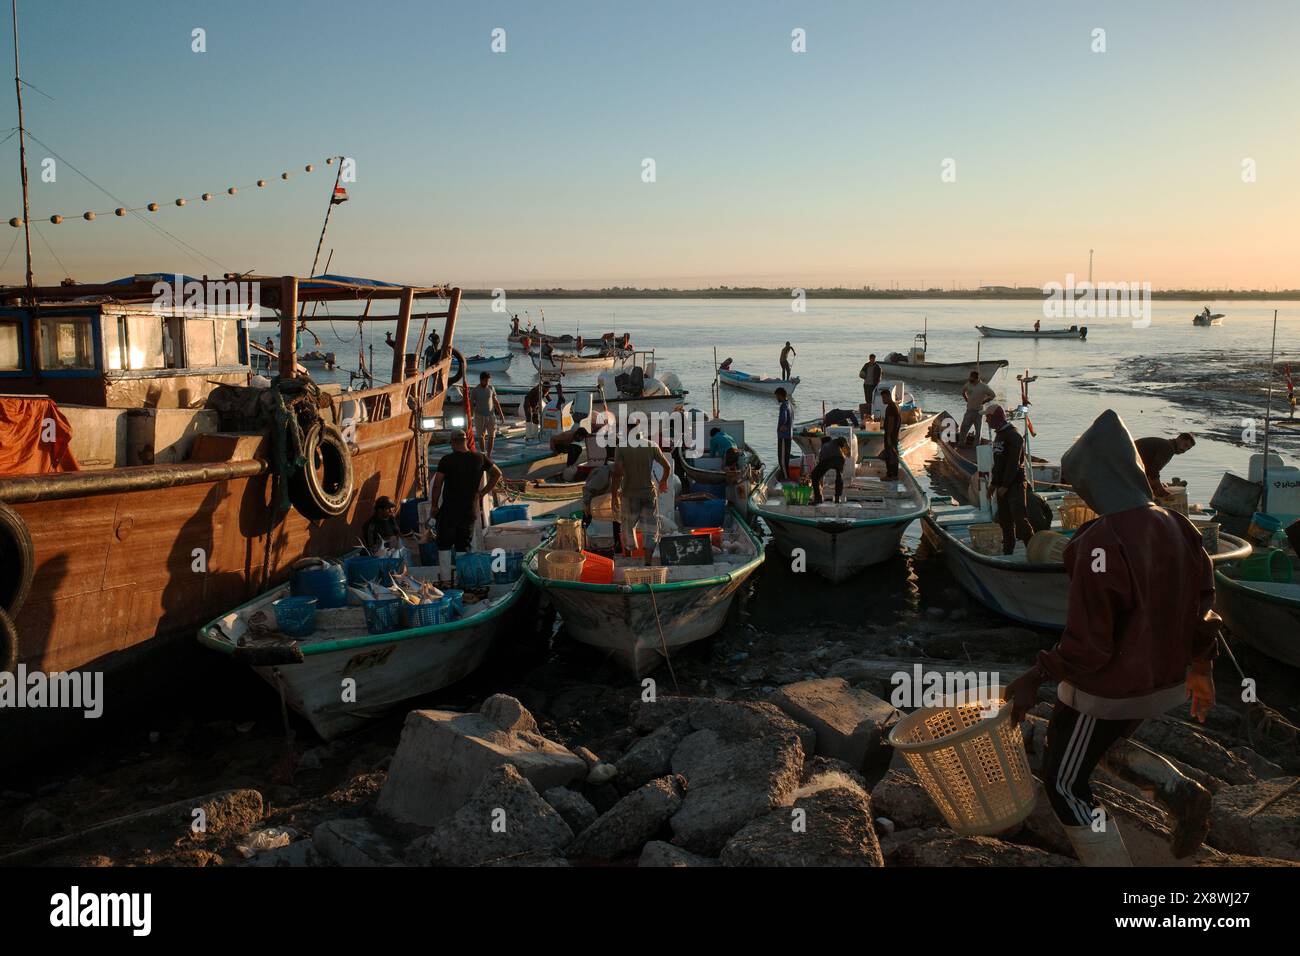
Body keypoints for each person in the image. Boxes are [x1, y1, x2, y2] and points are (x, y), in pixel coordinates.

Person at [1004, 410, 1218, 864]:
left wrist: (1035, 674)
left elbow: (1091, 644)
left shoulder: (1097, 542)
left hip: (1108, 688)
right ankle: (1182, 792)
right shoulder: (1178, 525)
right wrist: (1202, 666)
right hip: (1162, 682)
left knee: (1064, 782)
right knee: (1100, 745)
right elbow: (1203, 604)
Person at [429, 429, 503, 581]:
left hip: (449, 511)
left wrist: (434, 505)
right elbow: (497, 474)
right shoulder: (479, 458)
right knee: (464, 545)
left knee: (444, 544)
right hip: (469, 510)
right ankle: (463, 581)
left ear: (452, 443)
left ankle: (446, 580)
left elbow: (437, 485)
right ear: (465, 441)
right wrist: (482, 493)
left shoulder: (446, 460)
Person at [611, 435, 671, 565]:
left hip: (629, 495)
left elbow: (617, 473)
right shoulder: (651, 445)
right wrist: (663, 482)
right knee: (650, 529)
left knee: (627, 527)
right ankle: (648, 563)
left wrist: (614, 495)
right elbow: (667, 467)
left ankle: (629, 559)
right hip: (648, 494)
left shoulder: (621, 447)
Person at [985, 403, 1033, 554]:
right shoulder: (999, 435)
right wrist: (993, 485)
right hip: (1001, 486)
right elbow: (998, 464)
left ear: (996, 418)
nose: (986, 421)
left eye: (988, 418)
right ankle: (1008, 550)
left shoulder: (1014, 436)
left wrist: (1005, 485)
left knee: (1020, 519)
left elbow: (1013, 463)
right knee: (1005, 521)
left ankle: (1032, 548)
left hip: (1015, 484)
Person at [1135, 432, 1195, 498]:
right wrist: (1160, 490)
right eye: (1185, 445)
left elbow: (1150, 472)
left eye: (1188, 448)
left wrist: (1158, 487)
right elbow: (1153, 472)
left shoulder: (1166, 444)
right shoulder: (1168, 448)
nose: (1184, 450)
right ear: (1179, 438)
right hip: (1127, 464)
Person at [469, 372, 506, 460]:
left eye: (488, 381)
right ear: (481, 380)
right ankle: (483, 453)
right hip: (479, 415)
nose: (487, 382)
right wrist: (470, 416)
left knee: (492, 435)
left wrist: (501, 414)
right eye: (485, 381)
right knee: (481, 435)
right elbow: (470, 404)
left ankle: (489, 455)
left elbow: (496, 402)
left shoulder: (491, 388)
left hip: (491, 415)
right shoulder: (475, 390)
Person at [959, 371, 996, 444]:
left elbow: (993, 395)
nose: (970, 379)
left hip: (979, 412)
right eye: (970, 377)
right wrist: (966, 399)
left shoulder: (984, 387)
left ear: (977, 378)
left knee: (978, 431)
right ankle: (961, 443)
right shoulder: (968, 384)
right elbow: (963, 391)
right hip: (969, 410)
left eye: (972, 378)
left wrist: (985, 401)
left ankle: (976, 445)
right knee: (964, 428)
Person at [810, 437, 850, 505]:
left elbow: (820, 473)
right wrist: (847, 450)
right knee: (839, 476)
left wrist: (820, 485)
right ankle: (837, 497)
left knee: (814, 476)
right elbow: (843, 439)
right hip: (839, 458)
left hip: (827, 460)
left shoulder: (823, 448)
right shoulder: (835, 441)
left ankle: (818, 498)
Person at [880, 387, 901, 480]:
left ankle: (890, 475)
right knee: (894, 453)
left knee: (890, 455)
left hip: (891, 435)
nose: (883, 400)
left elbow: (891, 422)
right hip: (895, 435)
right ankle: (895, 474)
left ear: (889, 396)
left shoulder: (890, 408)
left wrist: (888, 436)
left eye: (884, 398)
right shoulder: (896, 406)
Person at [775, 387, 793, 476]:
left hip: (783, 437)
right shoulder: (789, 404)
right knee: (786, 458)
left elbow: (784, 418)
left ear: (780, 395)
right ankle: (786, 476)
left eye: (777, 396)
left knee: (782, 460)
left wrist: (782, 426)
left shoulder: (783, 406)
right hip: (789, 436)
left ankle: (786, 479)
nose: (776, 398)